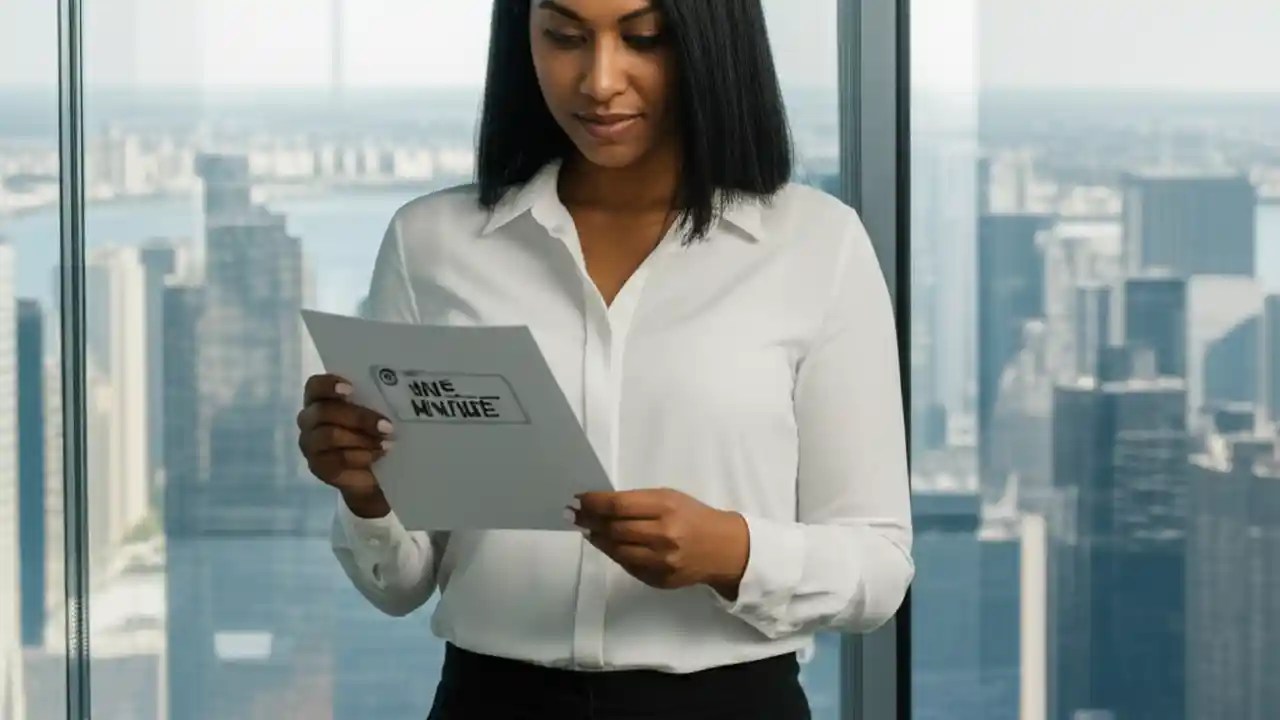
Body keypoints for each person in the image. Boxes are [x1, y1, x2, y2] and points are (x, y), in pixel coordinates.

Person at [295, 0, 913, 717]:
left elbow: (878, 567)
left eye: (644, 38)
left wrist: (733, 552)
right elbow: (399, 583)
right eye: (563, 37)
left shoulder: (815, 245)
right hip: (491, 702)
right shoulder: (432, 244)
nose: (599, 79)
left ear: (711, 43)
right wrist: (367, 495)